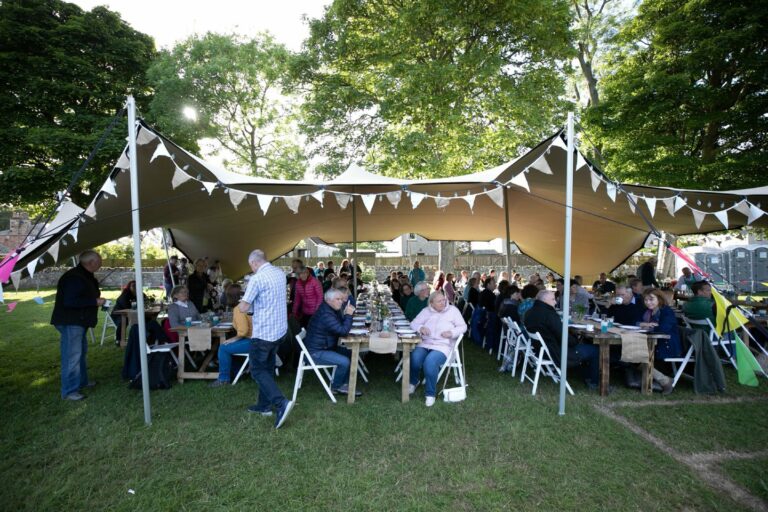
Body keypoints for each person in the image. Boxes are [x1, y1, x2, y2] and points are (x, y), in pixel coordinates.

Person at [240, 249, 293, 429]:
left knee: (257, 370)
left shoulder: (256, 279)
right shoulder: (280, 273)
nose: (252, 269)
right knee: (267, 368)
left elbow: (243, 308)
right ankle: (263, 406)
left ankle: (280, 403)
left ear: (254, 263)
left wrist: (241, 298)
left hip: (263, 333)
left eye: (251, 266)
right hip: (279, 330)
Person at [50, 250, 106, 401]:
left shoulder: (84, 275)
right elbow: (70, 301)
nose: (101, 263)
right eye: (99, 261)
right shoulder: (74, 277)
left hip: (78, 321)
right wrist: (94, 301)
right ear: (91, 262)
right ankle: (69, 391)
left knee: (80, 353)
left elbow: (85, 294)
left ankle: (81, 381)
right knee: (72, 356)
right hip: (70, 321)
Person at [523, 290, 600, 389]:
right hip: (557, 353)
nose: (555, 302)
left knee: (585, 347)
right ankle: (594, 382)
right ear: (544, 300)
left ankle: (586, 375)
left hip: (542, 351)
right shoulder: (549, 314)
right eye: (553, 299)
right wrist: (576, 340)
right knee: (595, 350)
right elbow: (564, 338)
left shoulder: (529, 312)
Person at [409, 291, 467, 406]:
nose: (443, 303)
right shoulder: (426, 311)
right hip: (426, 343)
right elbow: (413, 323)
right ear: (431, 303)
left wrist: (451, 332)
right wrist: (421, 327)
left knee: (430, 362)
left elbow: (463, 326)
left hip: (443, 346)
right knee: (415, 357)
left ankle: (430, 394)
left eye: (443, 300)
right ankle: (414, 381)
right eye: (439, 301)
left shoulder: (453, 311)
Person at [304, 288, 360, 396]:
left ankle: (345, 382)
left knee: (348, 351)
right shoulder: (326, 314)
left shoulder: (329, 309)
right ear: (328, 300)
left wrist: (345, 314)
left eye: (341, 299)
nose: (341, 301)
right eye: (337, 299)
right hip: (315, 352)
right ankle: (336, 387)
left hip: (323, 346)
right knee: (345, 361)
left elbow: (340, 326)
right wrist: (348, 315)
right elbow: (343, 331)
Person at [638, 288, 681, 393]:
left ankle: (665, 381)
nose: (648, 302)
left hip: (667, 345)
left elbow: (663, 329)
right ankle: (664, 380)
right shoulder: (648, 312)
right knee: (631, 353)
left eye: (651, 299)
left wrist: (648, 327)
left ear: (659, 299)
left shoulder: (666, 311)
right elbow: (635, 322)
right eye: (646, 300)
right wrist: (643, 324)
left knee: (635, 355)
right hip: (654, 343)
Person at [209, 284, 252, 387]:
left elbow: (243, 330)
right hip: (259, 339)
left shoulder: (239, 308)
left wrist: (235, 338)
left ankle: (223, 379)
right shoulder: (247, 304)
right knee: (229, 344)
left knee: (223, 348)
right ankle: (237, 371)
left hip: (253, 340)